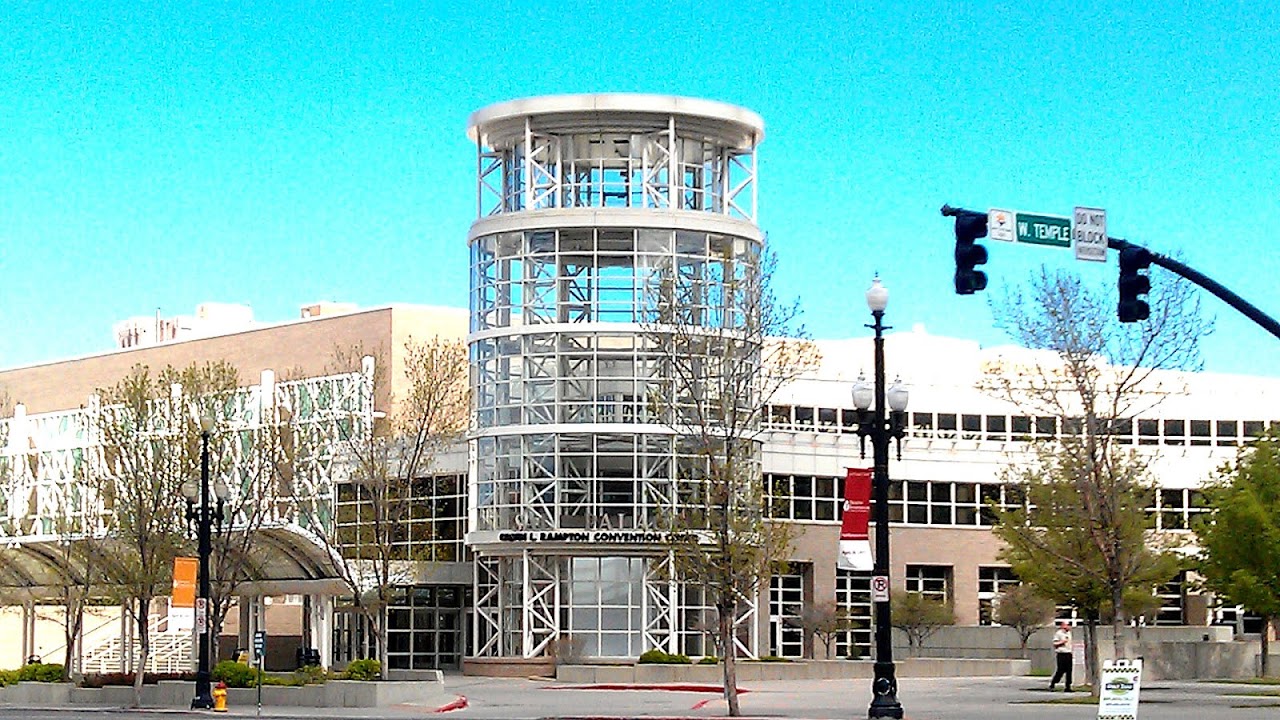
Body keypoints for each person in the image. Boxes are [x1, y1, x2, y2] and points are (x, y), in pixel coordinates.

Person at [1048, 620, 1073, 692]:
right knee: (1060, 670)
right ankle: (1053, 683)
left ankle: (1068, 686)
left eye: (1069, 625)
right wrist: (1062, 642)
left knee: (1069, 671)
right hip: (1061, 654)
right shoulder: (1058, 633)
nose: (1068, 626)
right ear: (1062, 625)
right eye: (1067, 625)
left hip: (1068, 653)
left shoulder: (1069, 633)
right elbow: (1055, 644)